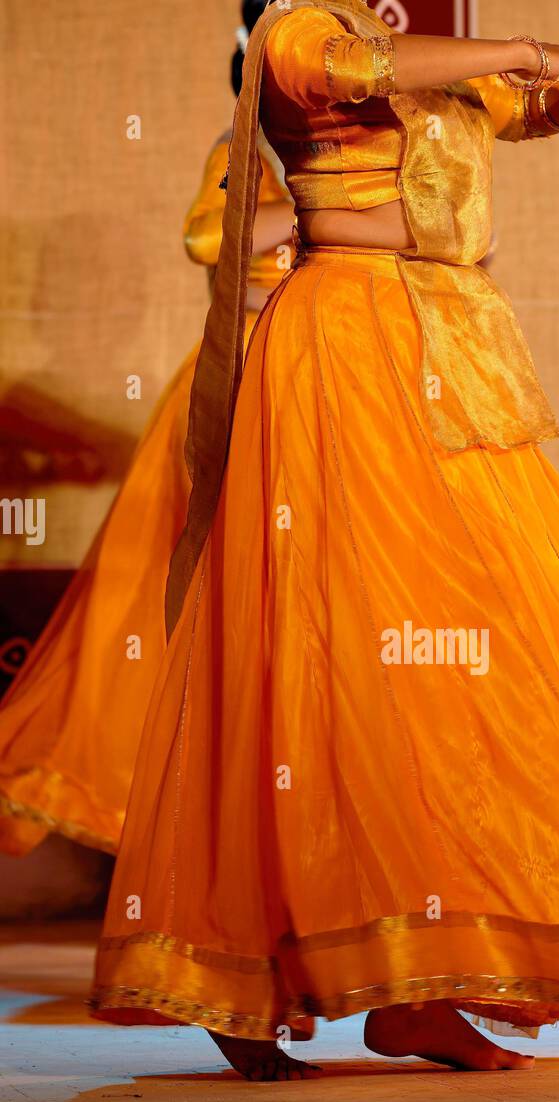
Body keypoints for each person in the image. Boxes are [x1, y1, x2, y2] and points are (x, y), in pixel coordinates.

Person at [88, 0, 559, 1080]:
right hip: (343, 351)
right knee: (328, 647)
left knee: (474, 657)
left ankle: (436, 984)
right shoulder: (299, 33)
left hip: (447, 349)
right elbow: (370, 68)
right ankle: (245, 977)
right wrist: (529, 51)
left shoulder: (409, 49)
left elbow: (497, 111)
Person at [0, 3, 295, 858]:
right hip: (232, 392)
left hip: (307, 386)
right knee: (200, 611)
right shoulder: (251, 156)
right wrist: (321, 213)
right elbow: (208, 236)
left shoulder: (343, 164)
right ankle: (194, 830)